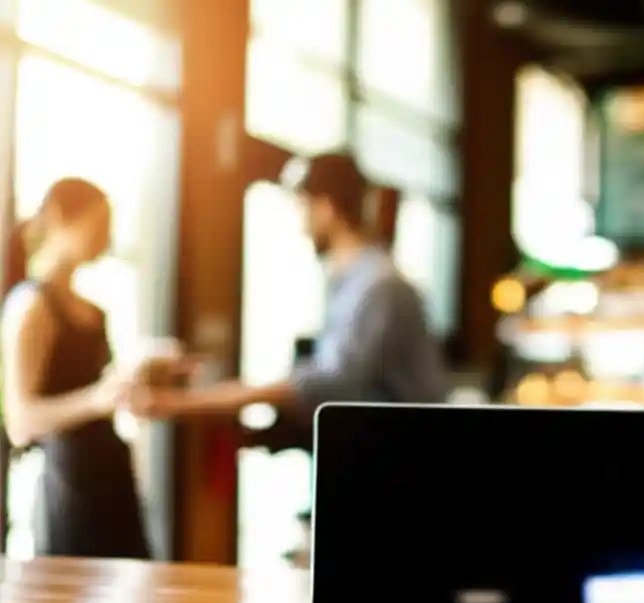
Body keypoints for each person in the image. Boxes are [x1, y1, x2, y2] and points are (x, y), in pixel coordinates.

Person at [134, 152, 449, 420]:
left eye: (301, 208)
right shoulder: (351, 281)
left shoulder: (377, 285)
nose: (300, 226)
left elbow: (333, 382)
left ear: (325, 207)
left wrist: (189, 402)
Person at [1, 179, 151, 558]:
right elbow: (21, 421)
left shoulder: (94, 310)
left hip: (110, 473)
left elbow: (105, 389)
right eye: (98, 224)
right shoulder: (32, 306)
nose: (105, 236)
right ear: (59, 219)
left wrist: (143, 374)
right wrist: (96, 401)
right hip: (69, 483)